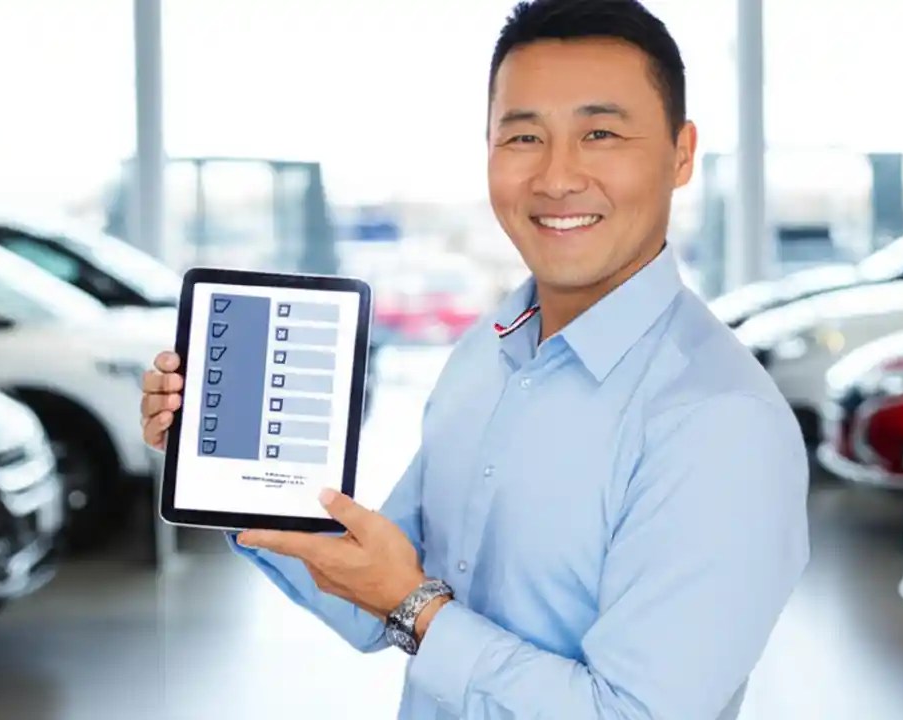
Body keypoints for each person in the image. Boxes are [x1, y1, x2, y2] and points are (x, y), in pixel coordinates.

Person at [139, 0, 810, 716]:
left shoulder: (721, 423)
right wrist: (223, 470)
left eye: (600, 133)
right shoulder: (485, 357)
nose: (557, 177)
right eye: (523, 137)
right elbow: (375, 594)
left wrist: (417, 610)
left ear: (681, 154)